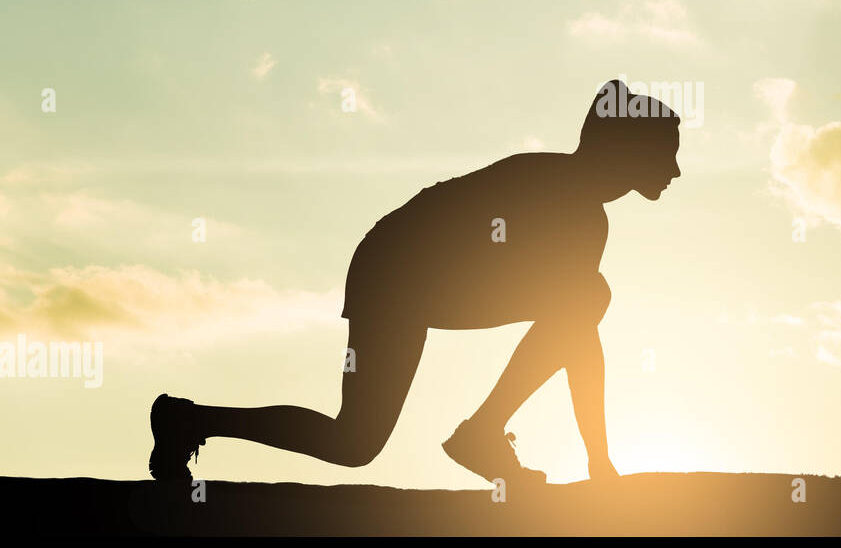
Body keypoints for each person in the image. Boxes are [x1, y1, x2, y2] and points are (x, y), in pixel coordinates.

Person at [148, 79, 681, 486]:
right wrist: (601, 465)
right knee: (357, 440)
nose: (675, 170)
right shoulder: (559, 193)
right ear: (630, 153)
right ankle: (480, 434)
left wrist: (599, 461)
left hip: (422, 278)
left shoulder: (583, 211)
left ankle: (188, 421)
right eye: (667, 153)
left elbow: (574, 334)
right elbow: (575, 331)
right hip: (396, 273)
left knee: (352, 442)